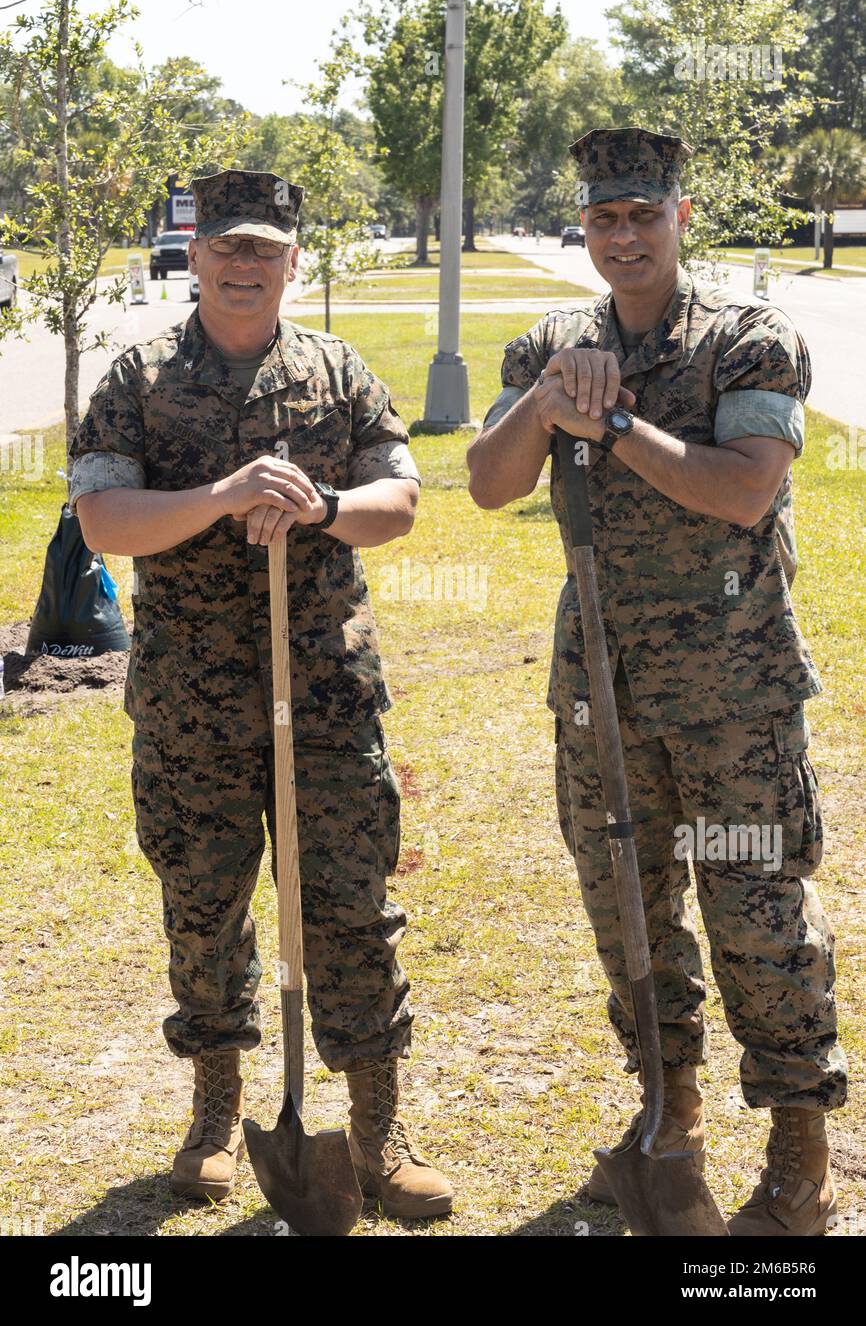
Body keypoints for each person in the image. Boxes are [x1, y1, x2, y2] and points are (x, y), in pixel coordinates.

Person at [466, 127, 846, 1237]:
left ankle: (796, 1160)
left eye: (642, 215)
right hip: (599, 694)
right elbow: (488, 486)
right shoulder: (553, 341)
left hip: (730, 703)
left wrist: (616, 421)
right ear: (581, 228)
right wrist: (544, 405)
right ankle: (663, 1122)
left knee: (755, 914)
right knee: (628, 917)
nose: (622, 235)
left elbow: (739, 491)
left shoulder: (745, 341)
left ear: (682, 219)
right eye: (601, 218)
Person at [70, 168, 453, 1220]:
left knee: (353, 913)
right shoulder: (140, 377)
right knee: (205, 911)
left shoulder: (334, 373)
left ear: (294, 262)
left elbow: (401, 499)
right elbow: (105, 524)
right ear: (194, 257)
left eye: (266, 250)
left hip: (324, 692)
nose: (245, 265)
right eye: (226, 248)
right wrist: (224, 495)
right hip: (193, 702)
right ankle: (213, 1113)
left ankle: (376, 1129)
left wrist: (324, 505)